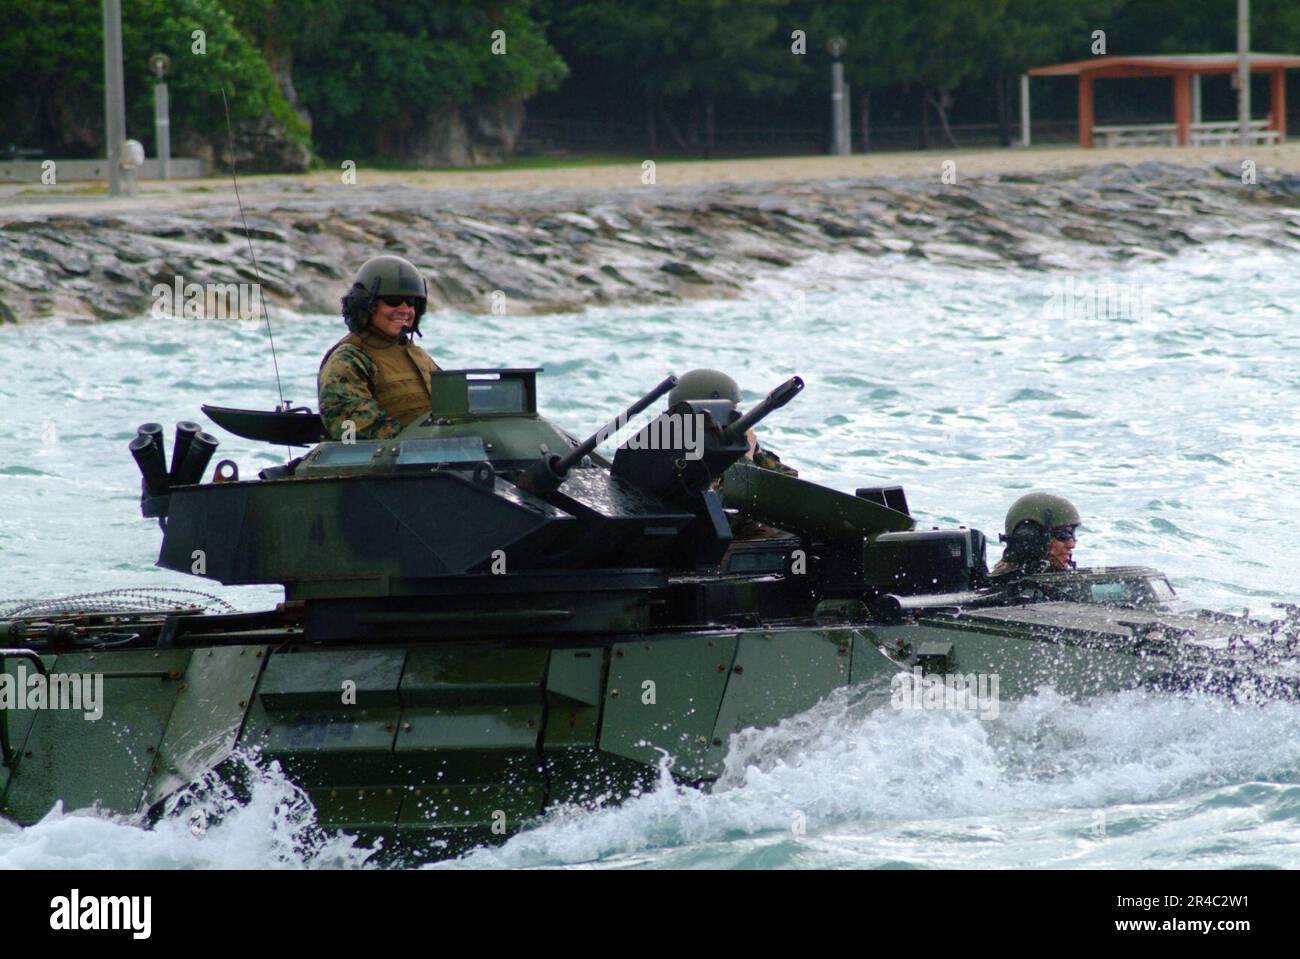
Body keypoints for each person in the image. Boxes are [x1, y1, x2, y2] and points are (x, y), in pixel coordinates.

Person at [318, 255, 440, 440]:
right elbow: (359, 428)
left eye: (411, 302)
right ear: (366, 304)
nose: (405, 309)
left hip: (431, 457)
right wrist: (429, 445)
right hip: (387, 462)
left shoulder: (417, 355)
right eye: (393, 301)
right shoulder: (348, 361)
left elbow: (453, 409)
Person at [668, 368, 797, 477]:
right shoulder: (687, 458)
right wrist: (746, 458)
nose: (735, 417)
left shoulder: (725, 446)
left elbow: (790, 482)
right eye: (730, 411)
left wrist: (756, 454)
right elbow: (738, 497)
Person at [989, 491, 1080, 579]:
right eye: (1063, 534)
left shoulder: (1059, 581)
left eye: (1072, 535)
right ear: (1030, 538)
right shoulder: (1006, 589)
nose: (1072, 545)